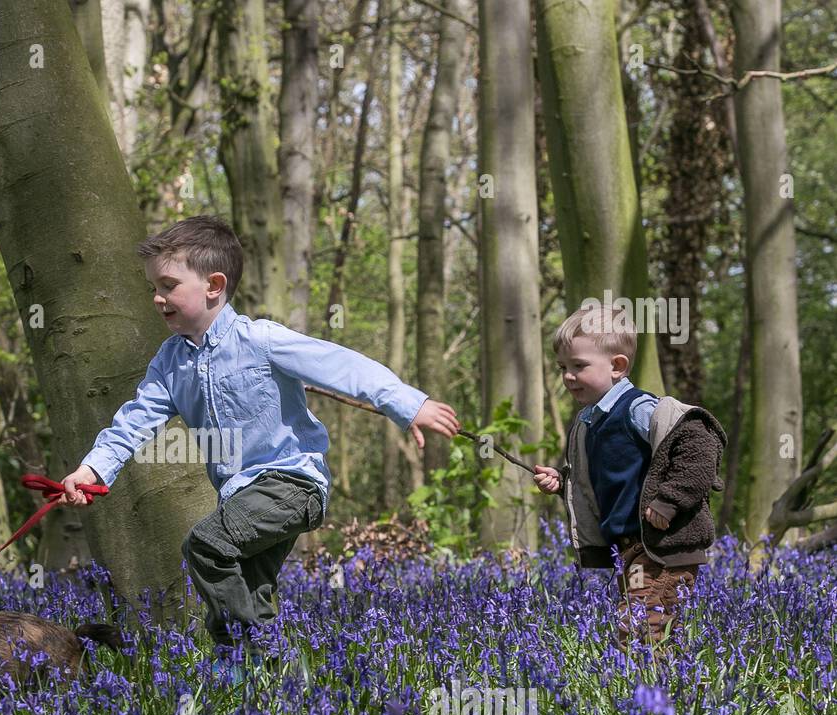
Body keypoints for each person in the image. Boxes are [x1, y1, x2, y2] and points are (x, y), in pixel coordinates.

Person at [58, 215, 460, 668]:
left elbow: (342, 365)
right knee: (249, 595)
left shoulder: (262, 340)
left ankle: (249, 658)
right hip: (240, 498)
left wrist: (408, 403)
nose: (157, 297)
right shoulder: (169, 364)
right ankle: (277, 690)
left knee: (206, 545)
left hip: (293, 484)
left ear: (214, 285)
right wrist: (92, 469)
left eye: (168, 285)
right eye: (153, 286)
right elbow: (133, 422)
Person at [532, 302, 726, 648]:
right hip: (631, 550)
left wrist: (669, 501)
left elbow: (699, 447)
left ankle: (650, 696)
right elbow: (606, 480)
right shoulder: (590, 422)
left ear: (617, 366)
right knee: (647, 624)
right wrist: (563, 482)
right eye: (562, 367)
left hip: (663, 547)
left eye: (578, 366)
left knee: (642, 627)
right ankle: (668, 691)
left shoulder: (638, 410)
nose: (567, 376)